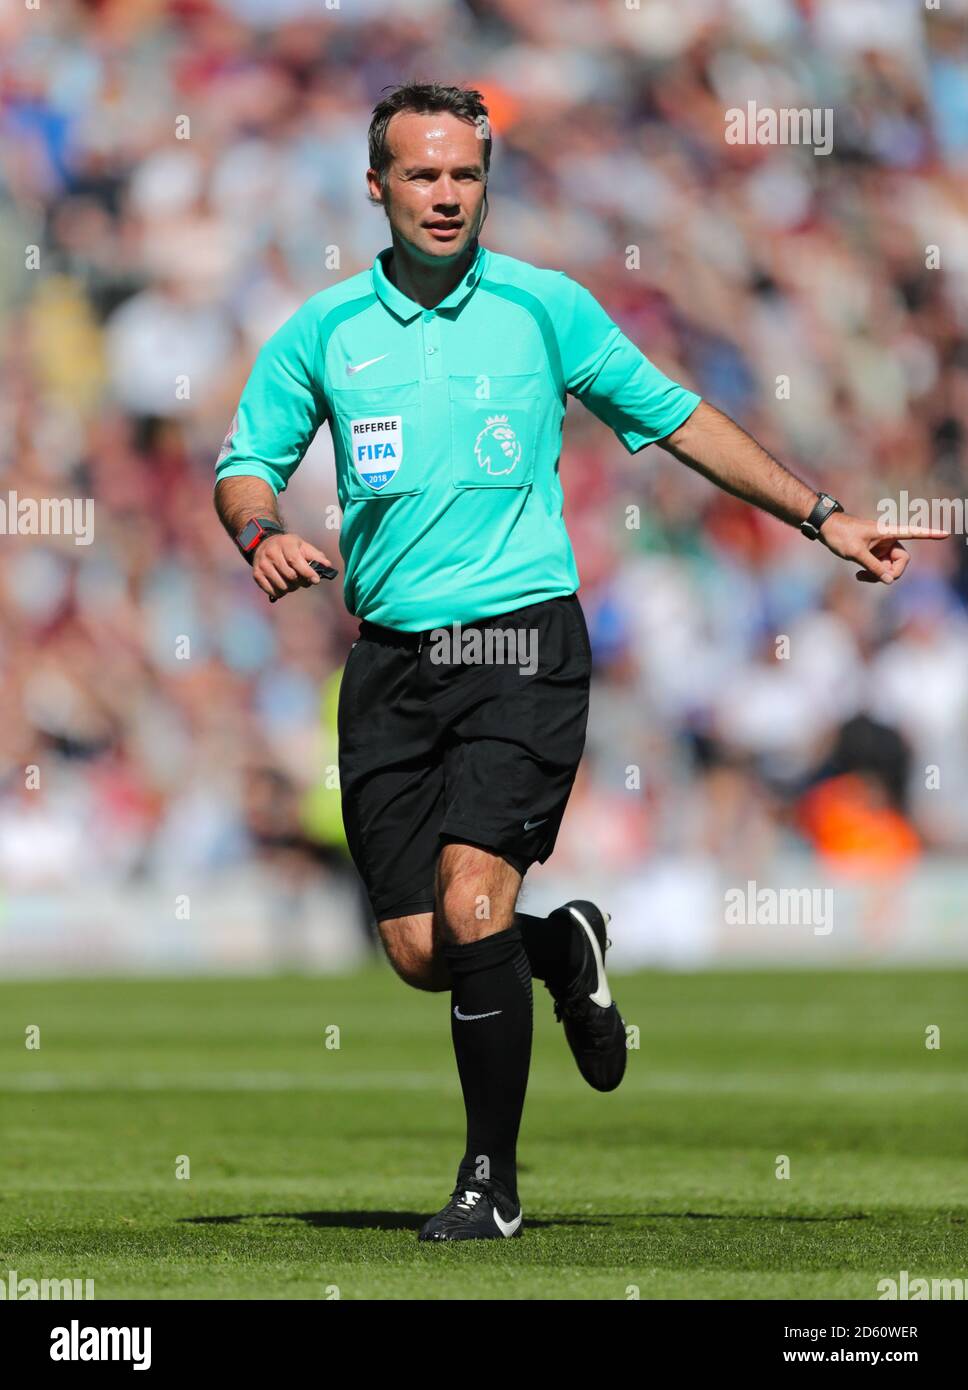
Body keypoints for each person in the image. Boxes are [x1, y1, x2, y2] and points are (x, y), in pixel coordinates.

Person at [214, 82, 946, 1241]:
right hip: (394, 662)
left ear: (485, 181)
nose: (445, 195)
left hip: (520, 644)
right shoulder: (322, 333)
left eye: (463, 174)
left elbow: (678, 416)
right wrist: (260, 532)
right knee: (419, 950)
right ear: (376, 186)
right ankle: (566, 947)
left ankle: (488, 1184)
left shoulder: (545, 309)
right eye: (420, 174)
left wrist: (823, 516)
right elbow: (244, 462)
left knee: (468, 898)